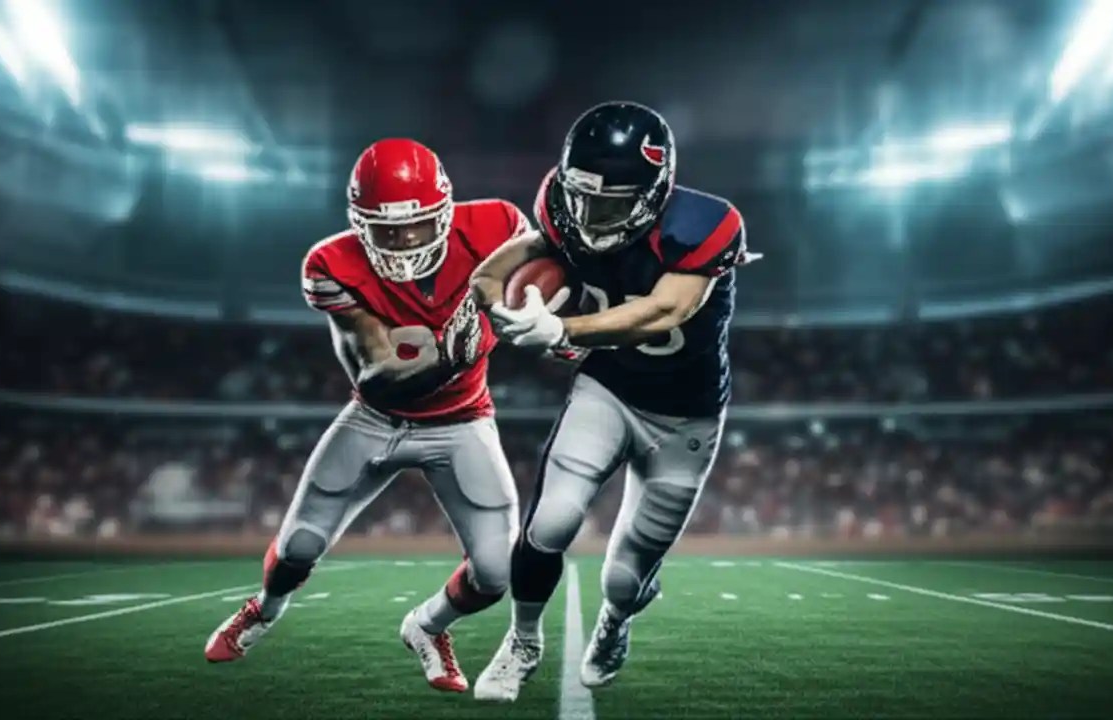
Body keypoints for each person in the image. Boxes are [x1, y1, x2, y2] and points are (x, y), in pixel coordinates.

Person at [204, 138, 530, 694]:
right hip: (377, 419)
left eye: (417, 225)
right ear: (359, 223)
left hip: (463, 421)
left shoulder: (498, 226)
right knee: (299, 546)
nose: (403, 241)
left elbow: (537, 282)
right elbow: (375, 371)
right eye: (386, 229)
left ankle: (427, 627)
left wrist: (546, 315)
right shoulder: (330, 264)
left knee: (498, 574)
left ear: (446, 212)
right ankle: (266, 608)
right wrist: (453, 352)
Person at [468, 102, 751, 700]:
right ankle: (521, 641)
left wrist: (564, 331)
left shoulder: (707, 224)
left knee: (625, 578)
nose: (591, 214)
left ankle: (615, 622)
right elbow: (492, 275)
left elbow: (665, 310)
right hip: (610, 388)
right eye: (583, 197)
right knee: (551, 522)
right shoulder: (559, 205)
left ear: (653, 193)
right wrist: (507, 312)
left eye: (612, 203)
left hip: (687, 414)